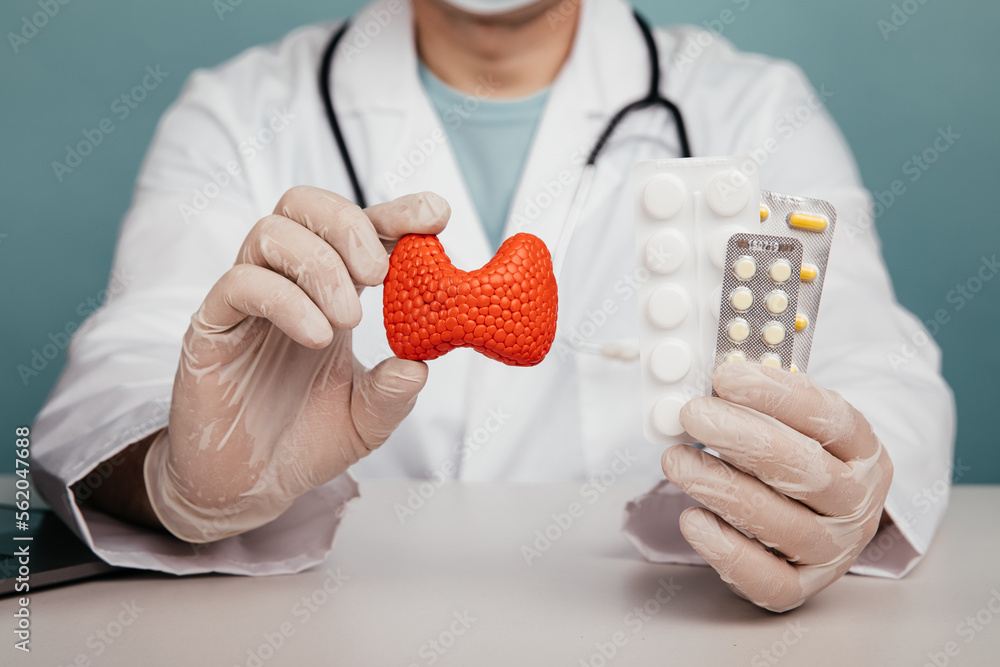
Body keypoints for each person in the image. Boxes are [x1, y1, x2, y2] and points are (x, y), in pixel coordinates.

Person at [32, 0, 954, 611]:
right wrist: (171, 476)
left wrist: (847, 489)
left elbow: (881, 368)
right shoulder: (240, 113)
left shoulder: (755, 109)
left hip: (661, 626)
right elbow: (112, 377)